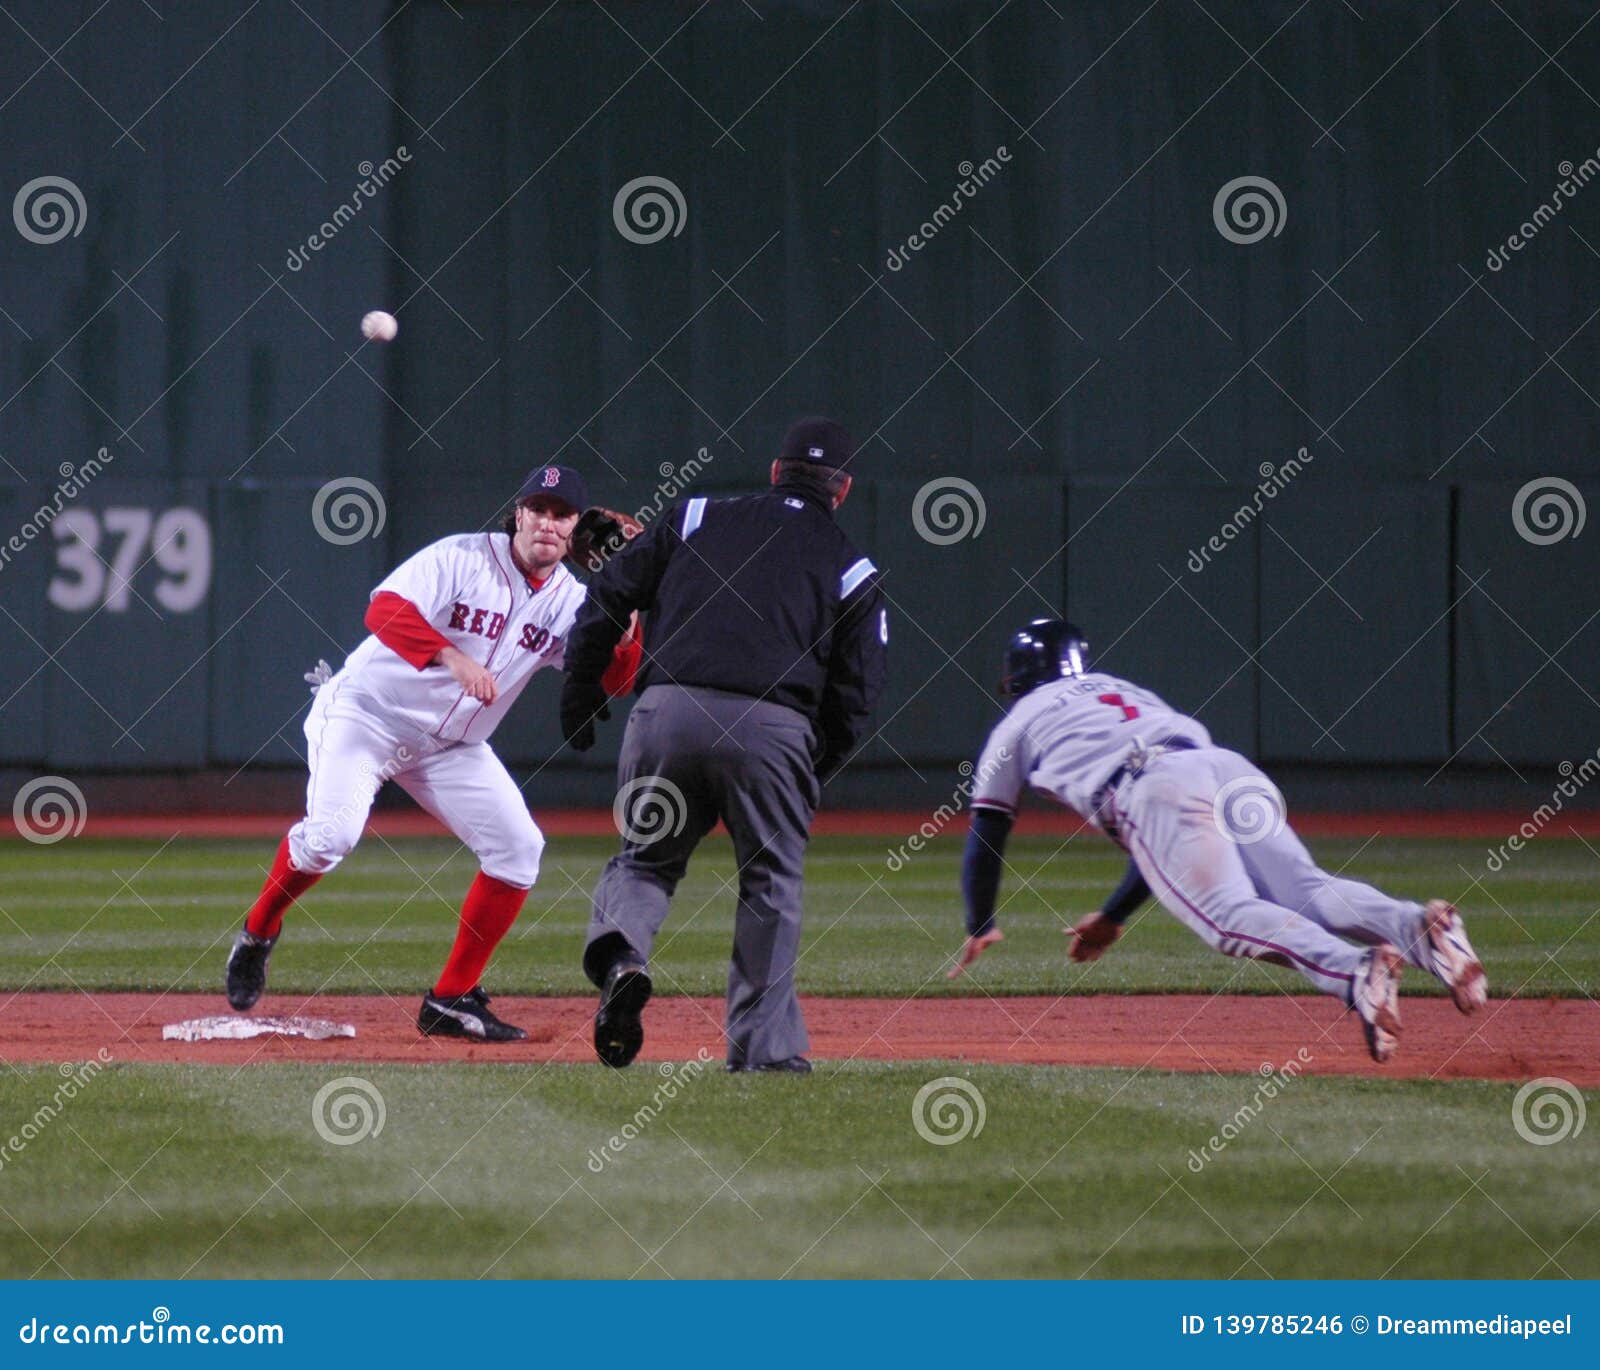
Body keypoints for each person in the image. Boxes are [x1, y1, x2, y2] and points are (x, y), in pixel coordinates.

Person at [223, 465, 642, 1041]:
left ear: (575, 529)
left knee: (518, 849)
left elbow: (614, 682)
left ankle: (450, 1000)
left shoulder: (574, 601)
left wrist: (628, 607)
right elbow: (384, 609)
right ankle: (258, 930)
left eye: (561, 513)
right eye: (538, 509)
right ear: (517, 514)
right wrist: (452, 658)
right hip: (365, 715)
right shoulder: (462, 557)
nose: (547, 522)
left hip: (451, 746)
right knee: (330, 840)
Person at [949, 618, 1487, 1063]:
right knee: (1306, 889)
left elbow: (988, 831)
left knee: (1228, 916)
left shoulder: (1017, 723)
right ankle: (1418, 927)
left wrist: (980, 923)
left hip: (1150, 787)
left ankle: (1352, 972)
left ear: (1017, 680)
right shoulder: (1124, 690)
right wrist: (1113, 917)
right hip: (1221, 766)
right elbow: (1160, 845)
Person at [560, 418, 887, 1072]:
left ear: (774, 471)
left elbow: (610, 590)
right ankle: (762, 1053)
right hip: (775, 727)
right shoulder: (854, 567)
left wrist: (581, 678)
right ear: (842, 490)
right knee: (770, 883)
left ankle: (623, 956)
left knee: (644, 861)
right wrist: (807, 767)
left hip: (667, 713)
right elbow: (858, 696)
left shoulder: (695, 513)